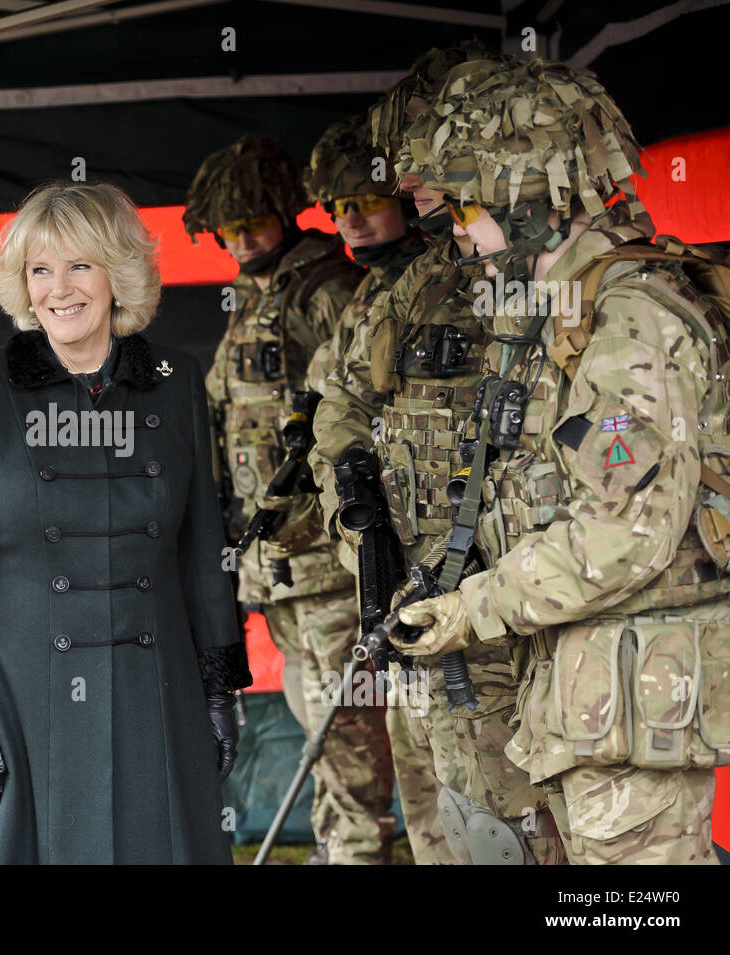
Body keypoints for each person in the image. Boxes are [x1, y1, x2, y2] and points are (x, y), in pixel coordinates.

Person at [387, 56, 729, 864]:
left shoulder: (630, 318)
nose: (458, 227)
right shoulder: (566, 315)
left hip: (634, 707)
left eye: (469, 202)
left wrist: (476, 607)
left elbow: (624, 534)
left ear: (526, 196)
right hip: (589, 696)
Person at [0, 181, 252, 864]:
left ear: (118, 275)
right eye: (40, 269)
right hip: (19, 684)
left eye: (80, 266)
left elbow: (200, 549)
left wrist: (220, 684)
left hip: (153, 685)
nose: (58, 289)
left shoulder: (176, 378)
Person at [311, 48, 567, 866]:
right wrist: (357, 517)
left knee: (552, 829)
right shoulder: (412, 289)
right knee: (459, 818)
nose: (415, 189)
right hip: (437, 606)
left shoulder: (568, 278)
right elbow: (341, 409)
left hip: (547, 602)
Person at [184, 136, 385, 863]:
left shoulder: (325, 288)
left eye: (252, 224)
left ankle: (360, 851)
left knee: (345, 727)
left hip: (328, 565)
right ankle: (345, 848)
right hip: (279, 567)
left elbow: (363, 414)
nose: (240, 241)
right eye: (227, 231)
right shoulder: (256, 298)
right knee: (321, 722)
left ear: (286, 212)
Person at [299, 112, 436, 864]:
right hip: (378, 559)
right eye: (337, 206)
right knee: (417, 763)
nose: (350, 218)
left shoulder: (443, 284)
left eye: (365, 199)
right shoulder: (369, 294)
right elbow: (339, 411)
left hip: (448, 568)